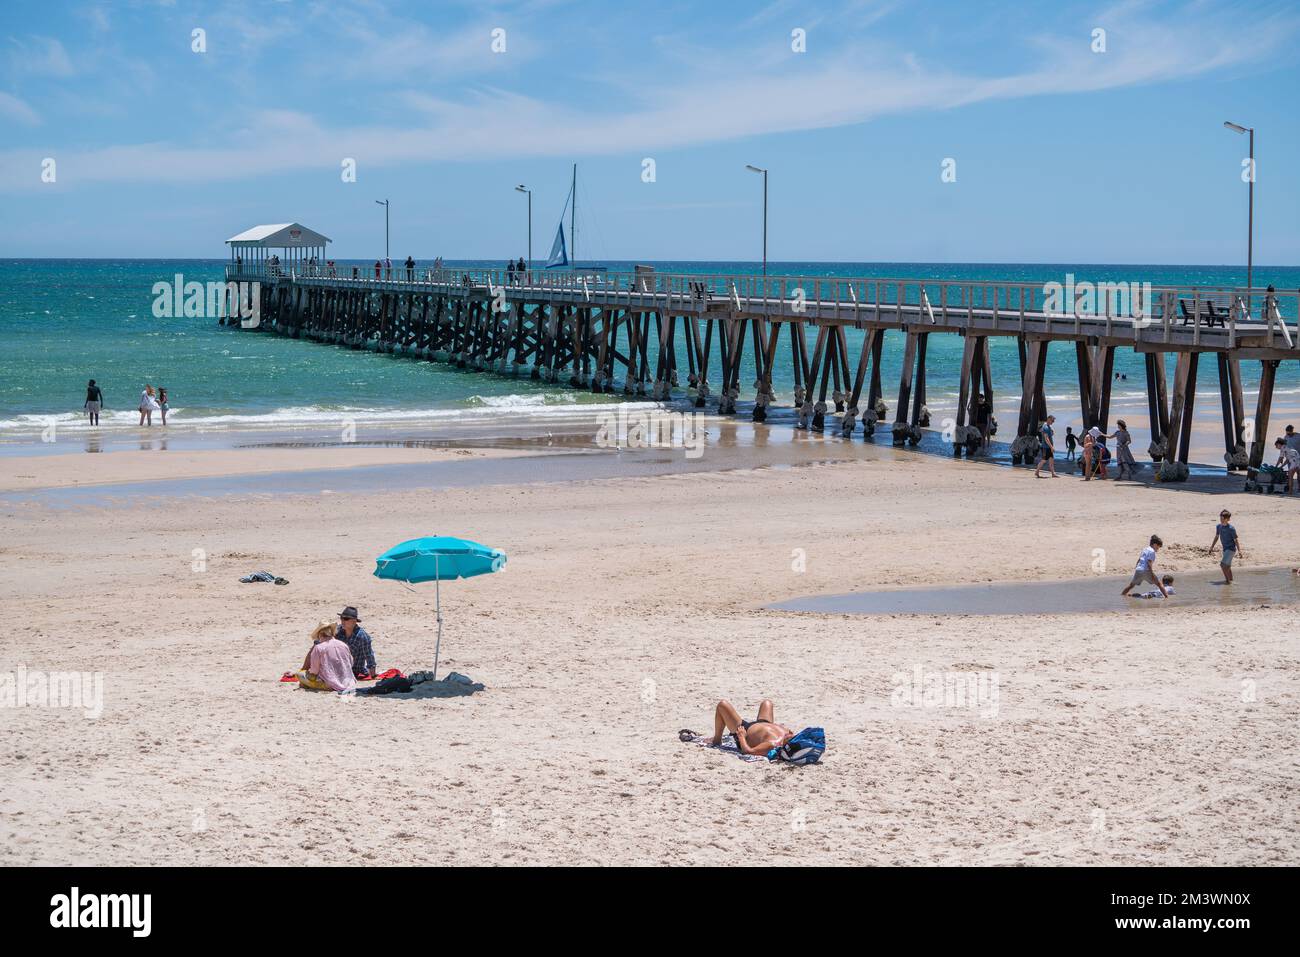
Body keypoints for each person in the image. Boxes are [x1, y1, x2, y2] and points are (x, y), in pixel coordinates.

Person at [710, 698, 795, 756]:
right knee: (767, 702)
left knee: (722, 705)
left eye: (791, 737)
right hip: (764, 723)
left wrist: (742, 737)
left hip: (744, 730)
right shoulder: (788, 733)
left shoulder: (772, 744)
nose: (791, 734)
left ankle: (717, 740)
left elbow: (748, 751)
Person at [295, 622, 357, 693]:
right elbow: (351, 663)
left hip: (330, 683)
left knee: (299, 675)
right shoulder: (343, 645)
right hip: (348, 681)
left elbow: (314, 671)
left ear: (320, 634)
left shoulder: (319, 648)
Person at [336, 606, 377, 678]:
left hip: (353, 671)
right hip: (338, 667)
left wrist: (373, 675)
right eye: (341, 618)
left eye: (346, 619)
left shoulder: (362, 636)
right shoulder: (338, 630)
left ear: (354, 621)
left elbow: (369, 656)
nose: (342, 621)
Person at [1208, 510, 1243, 583]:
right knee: (1227, 566)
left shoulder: (1231, 528)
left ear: (1227, 519)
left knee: (1222, 565)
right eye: (1220, 518)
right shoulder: (1218, 526)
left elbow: (1236, 540)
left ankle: (1228, 582)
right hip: (1225, 549)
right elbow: (1217, 537)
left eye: (1223, 519)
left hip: (1231, 549)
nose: (1221, 520)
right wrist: (1211, 547)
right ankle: (1231, 580)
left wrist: (1239, 551)